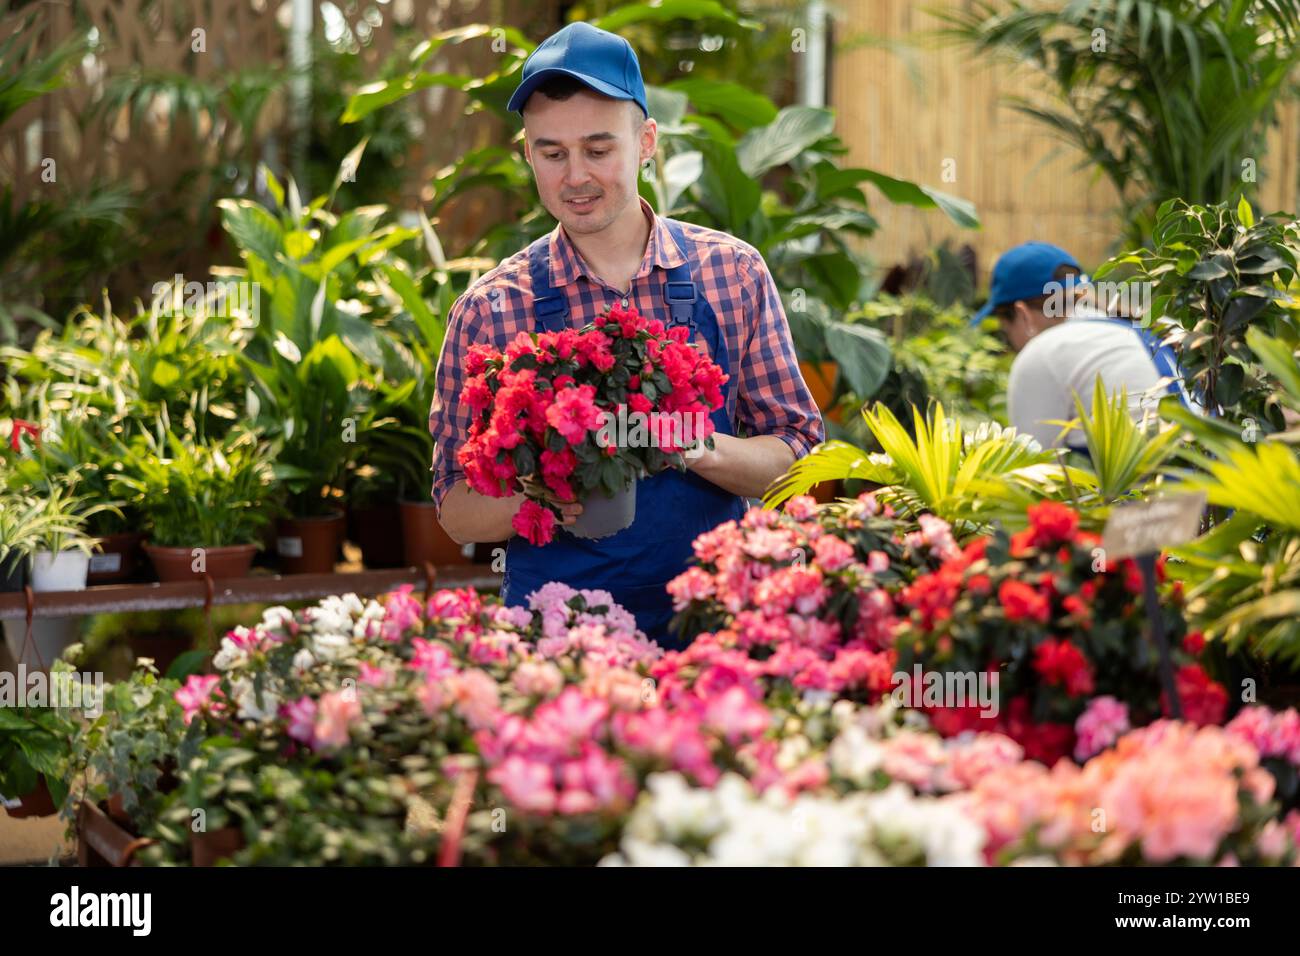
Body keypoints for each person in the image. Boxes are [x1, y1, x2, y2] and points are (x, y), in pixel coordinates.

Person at [427, 22, 824, 646]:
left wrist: (690, 445)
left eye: (598, 148)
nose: (575, 176)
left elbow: (797, 457)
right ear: (527, 154)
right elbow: (455, 508)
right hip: (561, 640)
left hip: (714, 625)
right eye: (552, 153)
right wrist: (549, 493)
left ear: (646, 142)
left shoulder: (733, 274)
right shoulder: (491, 310)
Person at [972, 241, 1188, 453]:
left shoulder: (1044, 352)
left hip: (1159, 488)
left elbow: (1035, 470)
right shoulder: (1141, 326)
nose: (1009, 343)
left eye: (1005, 330)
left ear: (1022, 314)